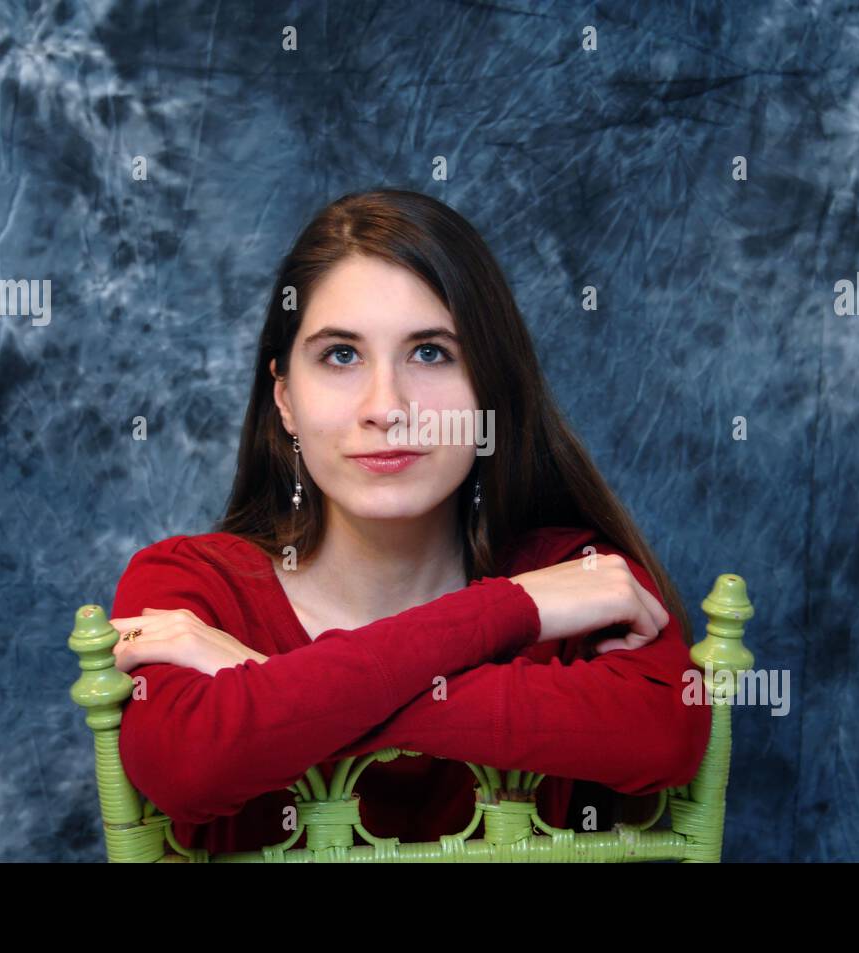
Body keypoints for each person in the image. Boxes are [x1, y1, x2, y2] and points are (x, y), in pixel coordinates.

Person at [107, 188, 712, 856]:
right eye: (341, 355)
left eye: (430, 353)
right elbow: (189, 766)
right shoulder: (191, 586)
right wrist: (515, 607)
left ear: (491, 389)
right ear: (285, 398)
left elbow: (670, 734)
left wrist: (272, 681)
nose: (387, 407)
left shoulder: (576, 576)